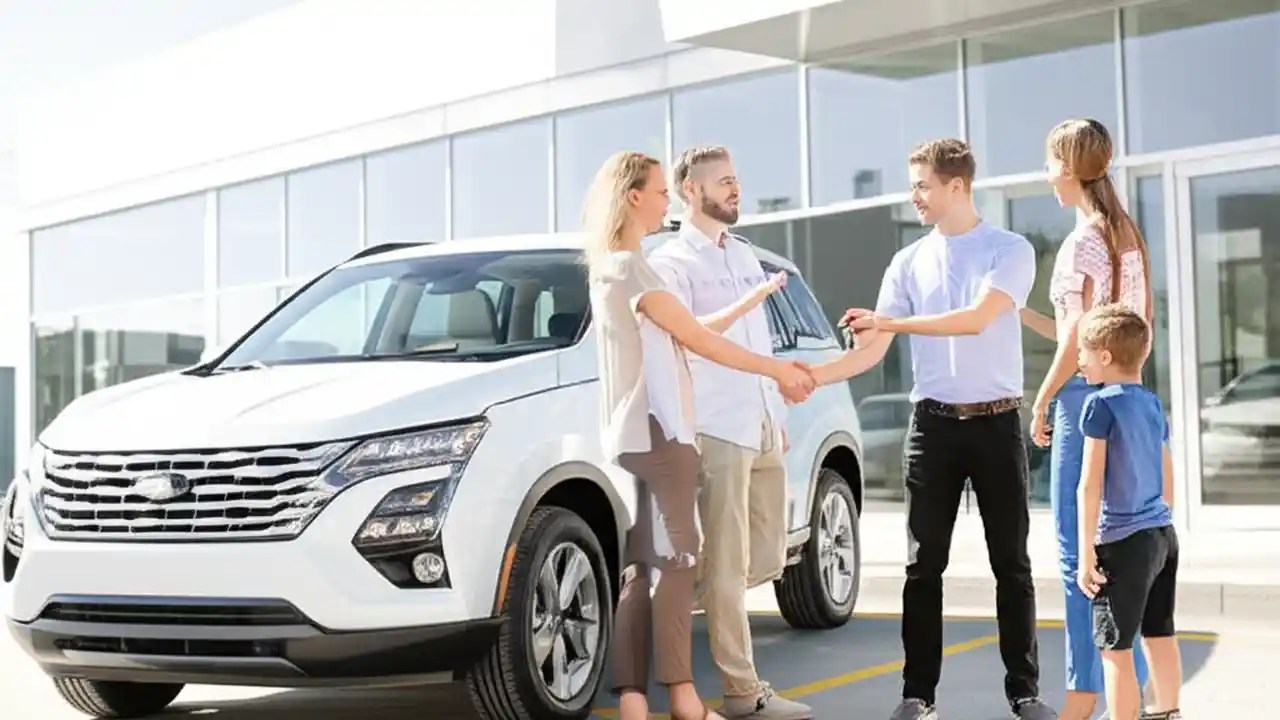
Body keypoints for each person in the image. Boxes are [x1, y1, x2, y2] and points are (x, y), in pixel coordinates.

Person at [820, 138, 1056, 720]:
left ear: (957, 186)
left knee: (1013, 566)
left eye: (923, 185)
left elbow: (976, 321)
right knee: (923, 567)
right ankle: (917, 695)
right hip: (932, 428)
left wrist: (891, 322)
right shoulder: (907, 262)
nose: (915, 196)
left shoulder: (1010, 250)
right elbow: (872, 346)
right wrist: (809, 376)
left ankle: (1023, 693)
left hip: (997, 422)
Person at [582, 149, 814, 720]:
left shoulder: (623, 265)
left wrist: (755, 319)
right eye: (659, 191)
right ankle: (704, 696)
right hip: (672, 432)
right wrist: (778, 371)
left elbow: (688, 333)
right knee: (679, 569)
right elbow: (697, 341)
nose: (664, 201)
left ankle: (644, 698)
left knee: (669, 569)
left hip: (660, 432)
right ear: (638, 196)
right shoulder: (645, 266)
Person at [1028, 117, 1154, 719]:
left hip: (1085, 399)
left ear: (1070, 167)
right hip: (1129, 397)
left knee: (1080, 555)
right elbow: (1126, 330)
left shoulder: (1082, 240)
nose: (1046, 173)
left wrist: (1044, 396)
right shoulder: (1126, 234)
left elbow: (1077, 335)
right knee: (1124, 545)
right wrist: (1027, 322)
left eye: (1050, 161)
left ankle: (1083, 698)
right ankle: (1135, 690)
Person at [1072, 303, 1182, 720]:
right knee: (1159, 631)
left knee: (1114, 646)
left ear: (1104, 355)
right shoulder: (1151, 404)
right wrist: (1161, 520)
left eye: (1082, 352)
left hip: (1122, 541)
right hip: (1162, 537)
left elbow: (1089, 485)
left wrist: (1086, 554)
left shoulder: (1099, 406)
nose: (1078, 361)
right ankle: (1169, 713)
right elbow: (1165, 468)